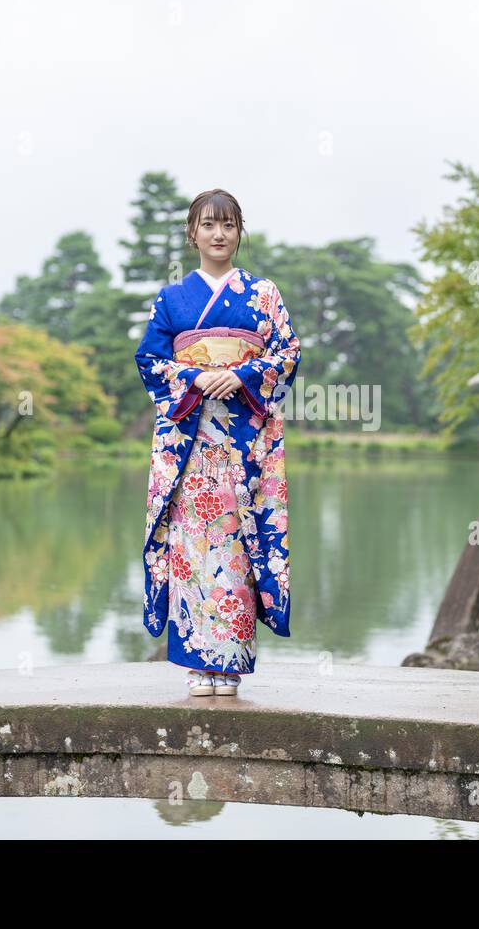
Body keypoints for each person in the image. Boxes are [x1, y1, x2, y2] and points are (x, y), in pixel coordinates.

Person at [133, 189, 300, 697]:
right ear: (192, 234)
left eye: (228, 225)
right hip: (190, 441)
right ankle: (196, 663)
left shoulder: (263, 294)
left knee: (238, 542)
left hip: (243, 443)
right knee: (190, 543)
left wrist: (245, 374)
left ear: (239, 232)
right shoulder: (172, 299)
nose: (219, 234)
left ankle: (230, 663)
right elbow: (149, 360)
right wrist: (196, 379)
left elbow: (287, 352)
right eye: (208, 225)